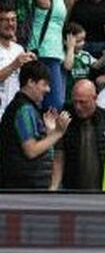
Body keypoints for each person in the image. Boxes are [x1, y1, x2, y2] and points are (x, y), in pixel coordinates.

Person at [0, 60, 70, 189]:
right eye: (45, 84)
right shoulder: (23, 109)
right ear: (31, 82)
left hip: (28, 187)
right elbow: (31, 150)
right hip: (23, 189)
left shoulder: (28, 108)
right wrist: (57, 133)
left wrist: (49, 131)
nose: (48, 89)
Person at [53, 80, 105, 190]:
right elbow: (59, 157)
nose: (78, 107)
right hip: (73, 190)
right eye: (75, 102)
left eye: (83, 102)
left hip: (103, 190)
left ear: (94, 98)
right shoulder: (65, 120)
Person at [0, 4, 32, 118]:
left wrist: (32, 65)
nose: (10, 24)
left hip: (15, 113)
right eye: (5, 20)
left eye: (13, 20)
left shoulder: (19, 49)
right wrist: (14, 65)